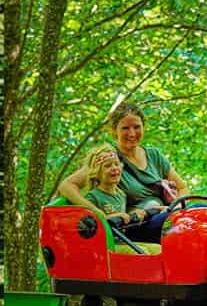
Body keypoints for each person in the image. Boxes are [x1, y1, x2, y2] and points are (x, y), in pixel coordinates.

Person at [58, 101, 189, 241]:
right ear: (114, 130)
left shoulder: (154, 155)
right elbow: (66, 186)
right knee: (177, 224)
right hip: (136, 226)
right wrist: (97, 213)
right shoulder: (109, 159)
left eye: (137, 127)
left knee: (201, 210)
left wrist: (176, 209)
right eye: (125, 128)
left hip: (165, 213)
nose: (132, 133)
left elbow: (182, 187)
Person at [80, 145, 159, 229]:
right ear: (97, 173)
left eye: (117, 164)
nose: (114, 168)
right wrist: (111, 217)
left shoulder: (121, 194)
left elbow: (124, 217)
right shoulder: (93, 197)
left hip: (124, 239)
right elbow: (89, 225)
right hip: (107, 241)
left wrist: (135, 213)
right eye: (108, 166)